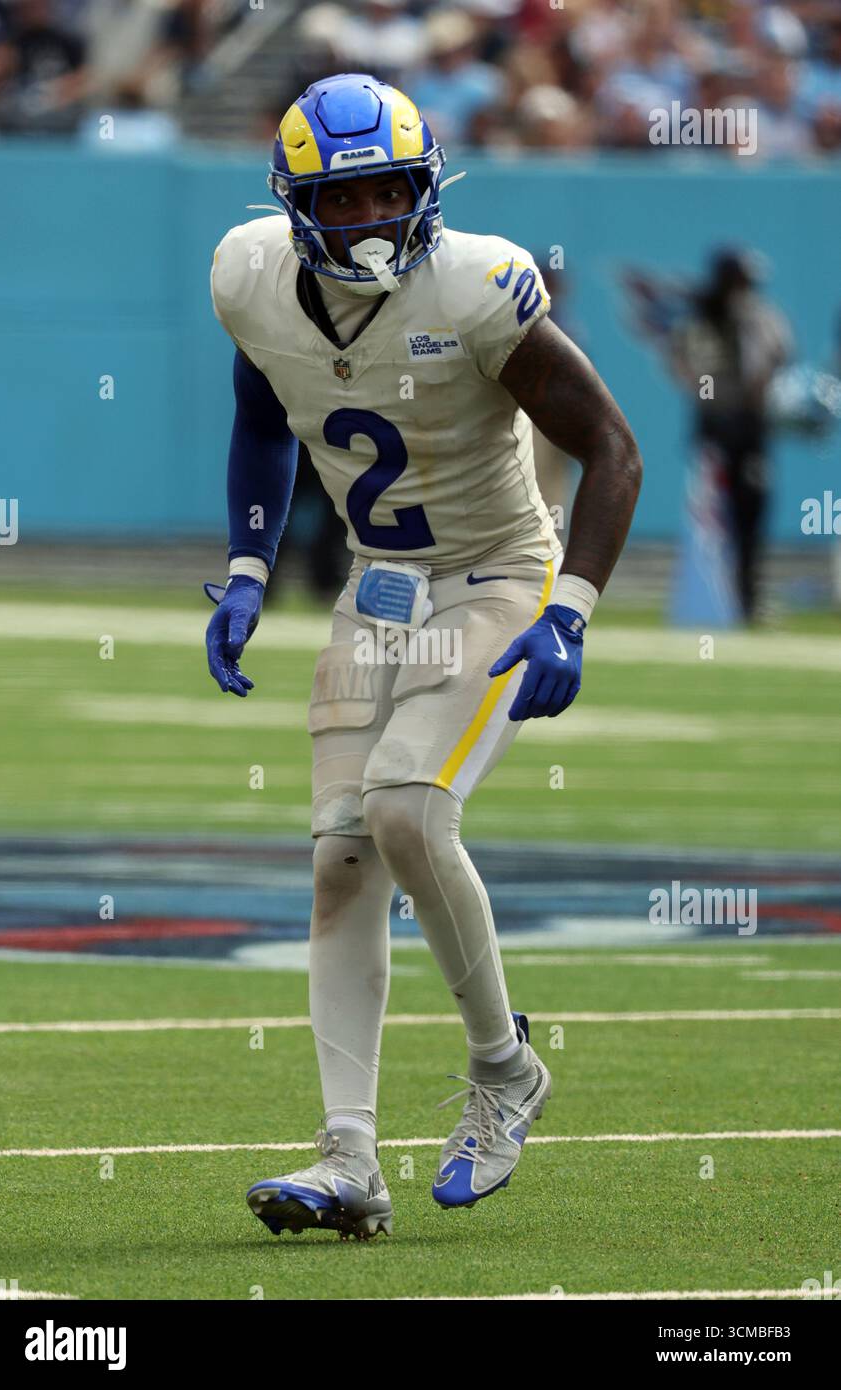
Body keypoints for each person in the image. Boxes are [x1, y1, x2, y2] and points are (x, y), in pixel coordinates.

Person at [206, 73, 641, 1239]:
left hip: (500, 576)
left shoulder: (475, 285)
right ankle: (348, 1158)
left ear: (427, 186)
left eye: (393, 191)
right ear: (299, 208)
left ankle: (504, 1070)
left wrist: (573, 610)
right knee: (339, 861)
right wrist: (248, 569)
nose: (374, 219)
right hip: (375, 593)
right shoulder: (249, 276)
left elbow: (610, 446)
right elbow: (261, 415)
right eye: (345, 201)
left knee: (405, 809)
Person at [668, 248, 792, 621]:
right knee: (711, 519)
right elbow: (682, 362)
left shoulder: (759, 316)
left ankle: (747, 599)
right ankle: (713, 601)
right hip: (716, 430)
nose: (746, 290)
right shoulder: (701, 320)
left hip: (750, 431)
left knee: (751, 512)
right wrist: (710, 395)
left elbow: (779, 353)